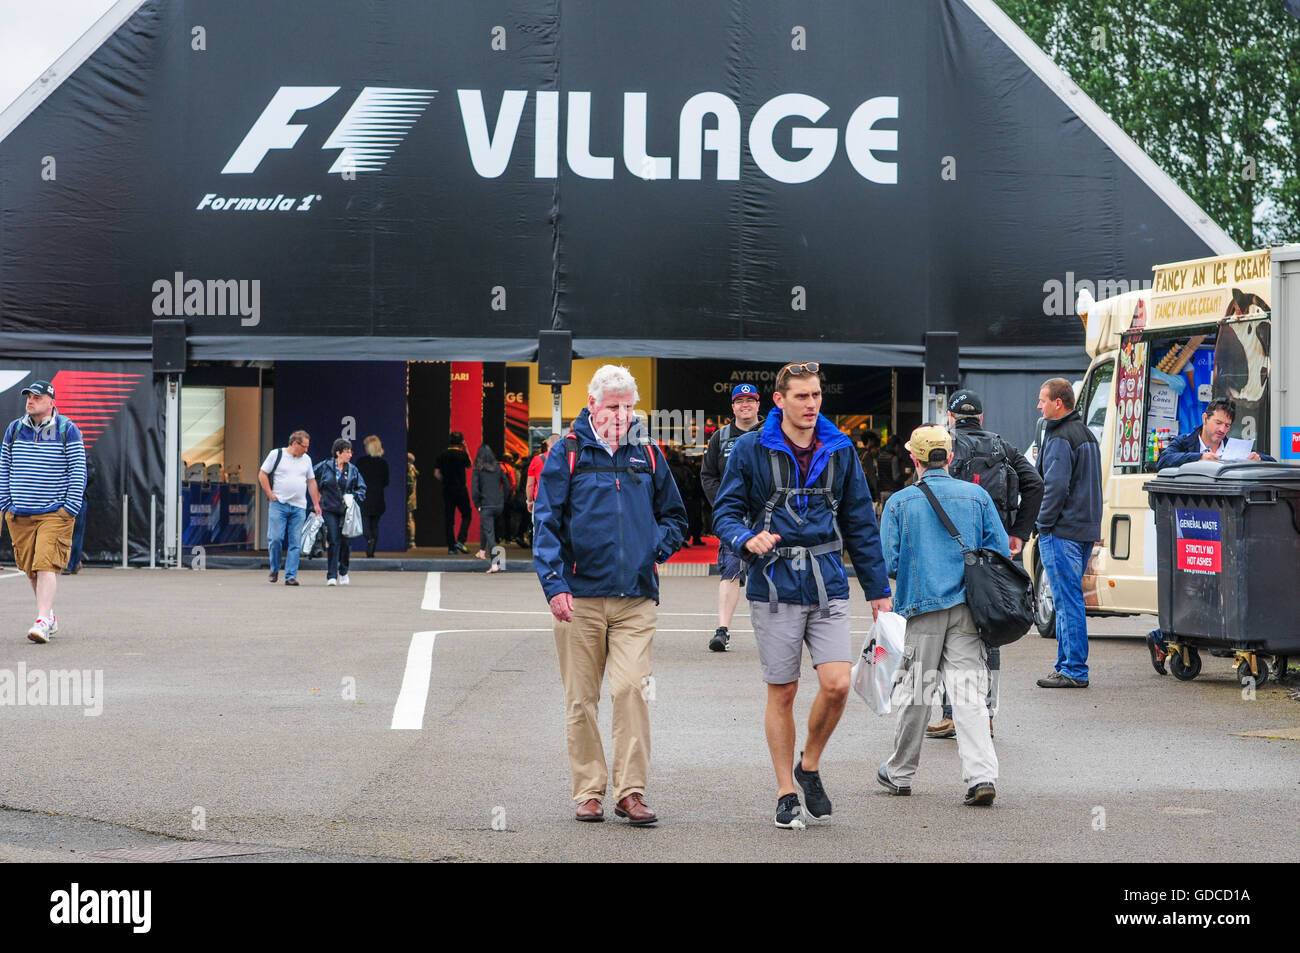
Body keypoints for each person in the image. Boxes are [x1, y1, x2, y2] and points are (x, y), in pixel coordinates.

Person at [712, 361, 892, 830]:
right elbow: (725, 511)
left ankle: (808, 767)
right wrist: (744, 538)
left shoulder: (839, 448)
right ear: (780, 401)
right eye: (801, 397)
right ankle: (785, 792)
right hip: (773, 584)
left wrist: (878, 591)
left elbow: (859, 522)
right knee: (784, 690)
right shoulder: (750, 449)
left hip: (827, 578)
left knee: (837, 684)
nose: (811, 404)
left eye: (815, 396)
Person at [533, 364, 687, 826]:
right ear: (593, 405)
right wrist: (555, 584)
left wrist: (651, 552)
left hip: (636, 598)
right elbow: (545, 523)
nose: (621, 414)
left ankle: (631, 791)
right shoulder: (567, 453)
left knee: (630, 689)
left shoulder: (649, 455)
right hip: (579, 598)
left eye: (627, 406)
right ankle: (589, 791)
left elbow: (677, 517)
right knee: (581, 700)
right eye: (612, 406)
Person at [877, 425, 1008, 806]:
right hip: (969, 608)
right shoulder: (977, 496)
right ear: (949, 458)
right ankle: (981, 776)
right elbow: (998, 551)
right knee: (968, 694)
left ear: (914, 459)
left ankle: (900, 773)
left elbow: (890, 561)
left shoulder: (900, 503)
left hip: (921, 608)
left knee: (916, 693)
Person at [926, 389, 1044, 739]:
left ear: (951, 417)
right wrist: (1018, 533)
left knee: (951, 628)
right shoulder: (1002, 447)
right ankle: (986, 712)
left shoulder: (945, 445)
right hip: (995, 549)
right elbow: (1035, 484)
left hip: (953, 550)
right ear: (980, 417)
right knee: (988, 628)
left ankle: (950, 712)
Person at [0, 379, 87, 643]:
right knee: (30, 568)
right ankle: (48, 614)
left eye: (37, 397)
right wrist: (6, 504)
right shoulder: (14, 429)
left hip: (54, 513)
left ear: (51, 401)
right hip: (20, 513)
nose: (30, 400)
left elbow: (78, 470)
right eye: (28, 396)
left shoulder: (67, 429)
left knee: (45, 563)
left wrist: (68, 509)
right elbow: (4, 466)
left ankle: (41, 621)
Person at [1034, 378, 1102, 688]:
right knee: (1068, 599)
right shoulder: (1086, 433)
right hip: (1084, 529)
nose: (1039, 405)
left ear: (1058, 403)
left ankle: (1073, 669)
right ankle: (1066, 665)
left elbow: (1055, 486)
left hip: (1062, 530)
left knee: (1067, 601)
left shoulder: (1060, 436)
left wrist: (1042, 523)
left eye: (1043, 400)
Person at [699, 382, 765, 652]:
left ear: (759, 404)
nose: (745, 404)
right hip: (735, 519)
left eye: (750, 400)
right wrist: (725, 506)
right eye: (740, 400)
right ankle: (722, 630)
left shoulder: (771, 433)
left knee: (772, 572)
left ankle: (776, 633)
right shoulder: (720, 437)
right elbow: (708, 475)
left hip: (767, 515)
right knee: (731, 571)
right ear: (733, 406)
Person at [258, 430, 322, 587]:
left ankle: (291, 576)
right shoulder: (276, 454)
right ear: (294, 443)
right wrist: (270, 493)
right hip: (278, 504)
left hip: (299, 506)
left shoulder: (306, 459)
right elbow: (262, 474)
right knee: (275, 539)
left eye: (308, 447)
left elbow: (311, 481)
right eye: (304, 446)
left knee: (295, 543)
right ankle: (274, 568)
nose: (306, 450)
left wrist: (316, 503)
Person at [1156, 397, 1274, 469]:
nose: (1222, 430)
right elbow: (1163, 461)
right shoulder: (1184, 442)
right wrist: (1200, 457)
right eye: (1218, 423)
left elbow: (1273, 462)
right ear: (1205, 419)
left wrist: (1259, 459)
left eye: (1227, 425)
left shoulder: (1235, 448)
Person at [313, 438, 367, 586]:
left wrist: (353, 496)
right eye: (346, 452)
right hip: (328, 508)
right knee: (333, 540)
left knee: (346, 542)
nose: (350, 454)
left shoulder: (353, 470)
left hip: (346, 510)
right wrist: (317, 497)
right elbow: (311, 479)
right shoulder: (324, 466)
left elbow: (362, 488)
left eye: (350, 451)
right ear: (338, 453)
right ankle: (331, 575)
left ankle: (343, 571)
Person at [471, 444, 510, 573]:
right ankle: (482, 551)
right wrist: (503, 499)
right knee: (486, 526)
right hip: (498, 504)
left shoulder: (478, 469)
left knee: (489, 532)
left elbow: (475, 490)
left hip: (486, 504)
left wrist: (478, 504)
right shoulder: (498, 467)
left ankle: (495, 564)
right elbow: (507, 484)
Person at [434, 432, 473, 555]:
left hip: (447, 489)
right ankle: (461, 540)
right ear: (461, 442)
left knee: (449, 519)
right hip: (460, 489)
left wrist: (445, 480)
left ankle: (451, 547)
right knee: (467, 514)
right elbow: (470, 464)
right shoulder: (462, 454)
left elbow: (436, 474)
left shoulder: (442, 454)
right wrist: (466, 449)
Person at [63, 445, 96, 574]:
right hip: (69, 499)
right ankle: (74, 563)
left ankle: (71, 563)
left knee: (74, 532)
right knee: (72, 533)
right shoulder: (78, 455)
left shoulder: (82, 456)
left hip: (75, 499)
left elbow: (91, 476)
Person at [354, 435, 389, 558]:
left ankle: (369, 540)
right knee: (375, 524)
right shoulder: (383, 463)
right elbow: (386, 481)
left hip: (364, 498)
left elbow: (356, 479)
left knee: (365, 524)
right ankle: (372, 548)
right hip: (378, 498)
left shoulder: (361, 462)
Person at [406, 452, 418, 549]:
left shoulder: (409, 470)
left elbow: (409, 485)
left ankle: (411, 541)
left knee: (409, 519)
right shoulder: (412, 469)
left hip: (409, 499)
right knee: (410, 519)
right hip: (411, 499)